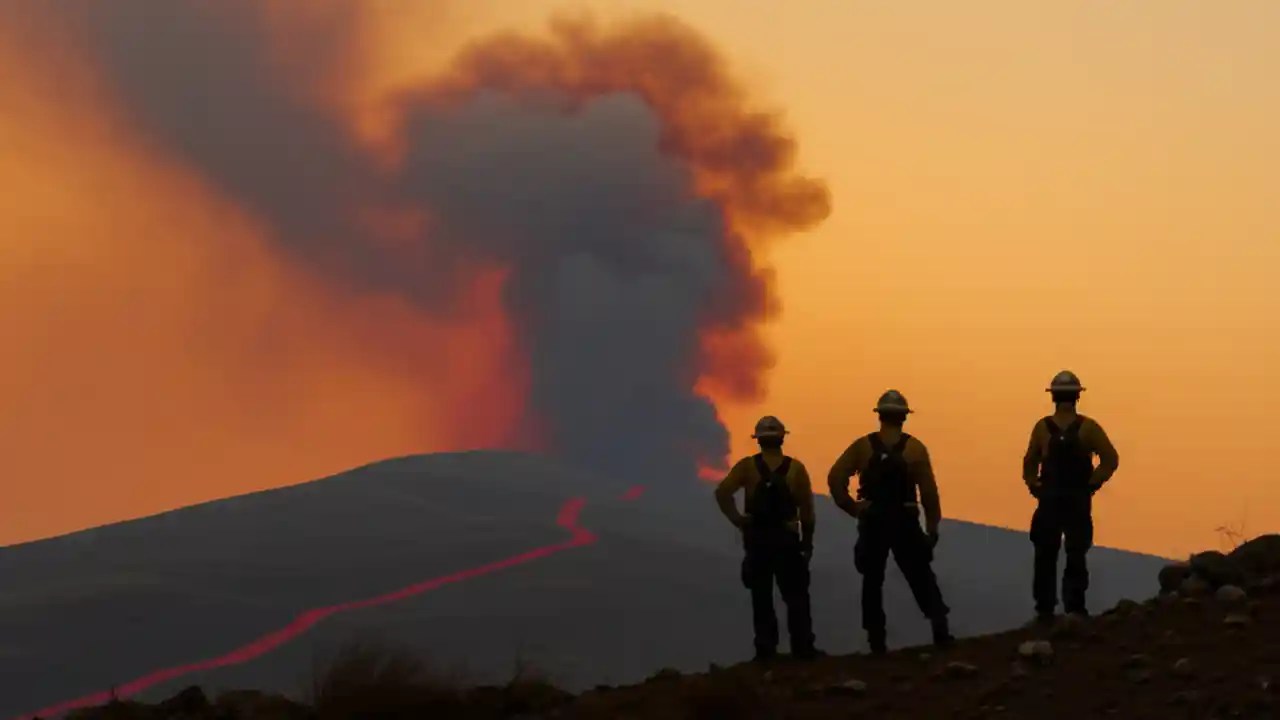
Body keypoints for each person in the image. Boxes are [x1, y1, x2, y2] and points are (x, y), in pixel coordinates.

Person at [828, 390, 952, 655]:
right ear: (904, 417)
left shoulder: (863, 447)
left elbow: (835, 477)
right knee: (920, 575)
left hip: (873, 520)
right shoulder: (915, 449)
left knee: (872, 580)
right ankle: (940, 629)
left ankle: (876, 640)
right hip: (905, 521)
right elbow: (929, 493)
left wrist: (853, 507)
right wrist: (932, 527)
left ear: (880, 416)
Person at [714, 415, 822, 662]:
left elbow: (722, 493)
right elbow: (807, 512)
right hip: (787, 540)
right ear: (782, 438)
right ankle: (803, 648)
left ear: (759, 441)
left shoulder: (746, 467)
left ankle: (765, 650)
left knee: (761, 597)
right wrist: (807, 544)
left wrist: (738, 520)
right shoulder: (796, 469)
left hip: (758, 541)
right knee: (796, 597)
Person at [1022, 370, 1120, 625]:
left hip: (1050, 500)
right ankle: (1074, 608)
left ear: (1053, 397)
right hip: (1077, 500)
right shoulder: (1088, 428)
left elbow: (1029, 462)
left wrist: (1035, 486)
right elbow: (1110, 459)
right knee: (1076, 553)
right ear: (1077, 396)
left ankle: (1045, 610)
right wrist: (1093, 483)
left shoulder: (1042, 428)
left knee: (1045, 555)